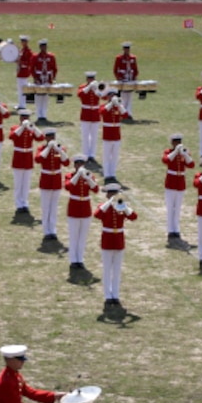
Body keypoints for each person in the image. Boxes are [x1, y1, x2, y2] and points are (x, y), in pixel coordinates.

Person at [94, 183, 137, 311]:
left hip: (118, 240)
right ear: (107, 195)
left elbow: (134, 217)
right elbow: (97, 214)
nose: (113, 196)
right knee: (107, 270)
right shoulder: (103, 206)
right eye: (111, 194)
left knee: (117, 270)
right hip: (107, 240)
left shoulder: (121, 207)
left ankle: (116, 295)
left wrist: (124, 206)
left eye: (115, 194)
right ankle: (108, 295)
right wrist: (109, 202)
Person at [65, 155, 98, 271]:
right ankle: (73, 260)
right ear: (74, 165)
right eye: (77, 164)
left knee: (82, 237)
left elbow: (96, 189)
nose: (79, 166)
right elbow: (68, 187)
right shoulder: (70, 176)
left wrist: (88, 179)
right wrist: (78, 174)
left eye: (81, 164)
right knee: (74, 236)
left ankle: (80, 259)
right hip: (74, 209)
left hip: (85, 209)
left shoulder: (89, 176)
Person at [36, 129, 68, 243]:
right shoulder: (42, 149)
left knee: (53, 208)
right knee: (46, 208)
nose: (51, 139)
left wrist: (59, 150)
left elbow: (66, 162)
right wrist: (48, 148)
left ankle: (53, 230)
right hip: (46, 180)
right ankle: (46, 231)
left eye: (53, 137)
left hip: (56, 181)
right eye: (49, 137)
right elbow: (38, 159)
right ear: (46, 138)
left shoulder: (60, 149)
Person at [9, 113, 43, 215]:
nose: (25, 119)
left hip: (28, 158)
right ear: (20, 118)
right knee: (18, 184)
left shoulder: (30, 129)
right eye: (23, 117)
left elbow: (41, 137)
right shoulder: (15, 128)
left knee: (26, 184)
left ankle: (25, 203)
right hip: (18, 157)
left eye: (27, 118)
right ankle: (18, 204)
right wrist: (22, 127)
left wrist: (34, 127)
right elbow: (12, 136)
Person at [162, 134, 194, 241]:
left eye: (179, 142)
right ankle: (170, 230)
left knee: (178, 208)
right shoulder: (169, 151)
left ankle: (176, 229)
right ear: (172, 143)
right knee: (170, 208)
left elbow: (191, 165)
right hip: (171, 182)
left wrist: (185, 154)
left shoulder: (184, 152)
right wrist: (175, 151)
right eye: (176, 142)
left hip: (180, 183)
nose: (178, 144)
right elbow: (166, 160)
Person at [99, 93, 127, 183]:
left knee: (114, 156)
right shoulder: (104, 106)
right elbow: (102, 112)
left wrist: (119, 105)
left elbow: (125, 115)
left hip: (116, 136)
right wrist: (111, 103)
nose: (112, 97)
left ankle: (113, 174)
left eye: (114, 95)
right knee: (107, 156)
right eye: (110, 95)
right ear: (108, 97)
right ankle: (107, 175)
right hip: (107, 135)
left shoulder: (118, 107)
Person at [77, 71, 101, 163]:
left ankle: (92, 154)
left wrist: (96, 89)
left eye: (92, 79)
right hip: (86, 113)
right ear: (87, 79)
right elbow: (80, 94)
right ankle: (85, 154)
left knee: (94, 135)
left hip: (95, 113)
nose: (91, 80)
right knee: (85, 135)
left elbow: (103, 96)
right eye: (89, 78)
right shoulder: (82, 86)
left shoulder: (98, 87)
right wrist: (89, 87)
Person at [31, 39, 58, 123]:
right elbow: (31, 68)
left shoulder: (51, 56)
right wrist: (35, 78)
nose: (43, 48)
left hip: (48, 78)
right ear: (40, 47)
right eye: (42, 46)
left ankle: (44, 115)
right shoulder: (35, 56)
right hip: (39, 78)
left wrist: (53, 77)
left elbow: (54, 68)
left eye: (45, 46)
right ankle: (39, 115)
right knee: (38, 97)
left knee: (46, 97)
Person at [112, 42, 139, 119]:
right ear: (123, 49)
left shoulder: (133, 58)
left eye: (128, 49)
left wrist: (135, 78)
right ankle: (123, 113)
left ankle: (129, 113)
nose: (127, 50)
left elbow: (135, 69)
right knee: (123, 97)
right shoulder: (119, 58)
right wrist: (118, 78)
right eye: (125, 49)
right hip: (123, 79)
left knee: (130, 97)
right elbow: (115, 69)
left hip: (131, 79)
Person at [14, 35, 33, 109]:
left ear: (26, 42)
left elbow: (29, 63)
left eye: (24, 41)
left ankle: (23, 105)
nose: (22, 42)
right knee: (19, 89)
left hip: (24, 72)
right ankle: (20, 104)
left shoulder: (28, 51)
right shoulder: (22, 50)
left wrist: (21, 62)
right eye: (21, 41)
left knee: (23, 89)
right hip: (20, 72)